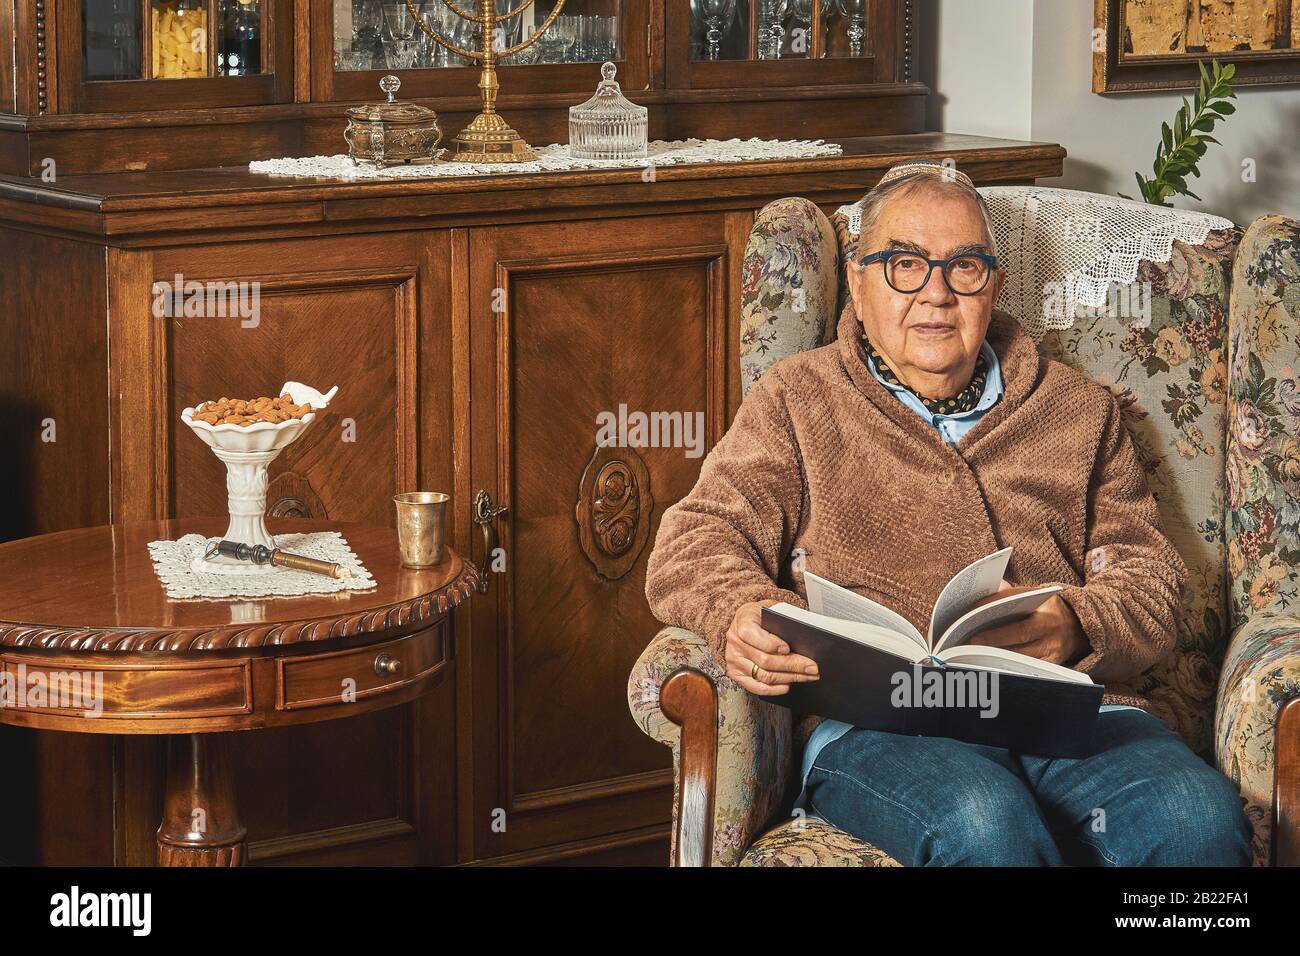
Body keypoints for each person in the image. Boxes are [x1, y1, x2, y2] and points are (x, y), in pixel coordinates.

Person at [643, 161, 1252, 866]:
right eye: (905, 264)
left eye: (963, 268)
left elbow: (1151, 578)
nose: (935, 294)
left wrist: (1078, 624)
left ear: (992, 287)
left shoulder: (1077, 410)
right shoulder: (797, 400)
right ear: (861, 284)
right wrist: (736, 611)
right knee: (984, 825)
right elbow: (696, 539)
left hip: (1059, 711)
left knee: (1196, 819)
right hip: (878, 725)